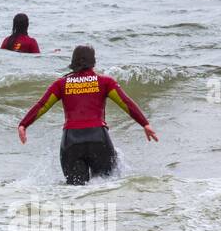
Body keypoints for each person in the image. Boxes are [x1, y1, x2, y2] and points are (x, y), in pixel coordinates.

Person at [18, 45, 158, 184]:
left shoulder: (61, 84)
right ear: (93, 62)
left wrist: (24, 124)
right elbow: (126, 103)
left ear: (73, 62)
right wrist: (144, 123)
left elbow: (42, 105)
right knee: (106, 188)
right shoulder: (105, 82)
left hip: (71, 142)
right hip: (98, 139)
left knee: (75, 193)